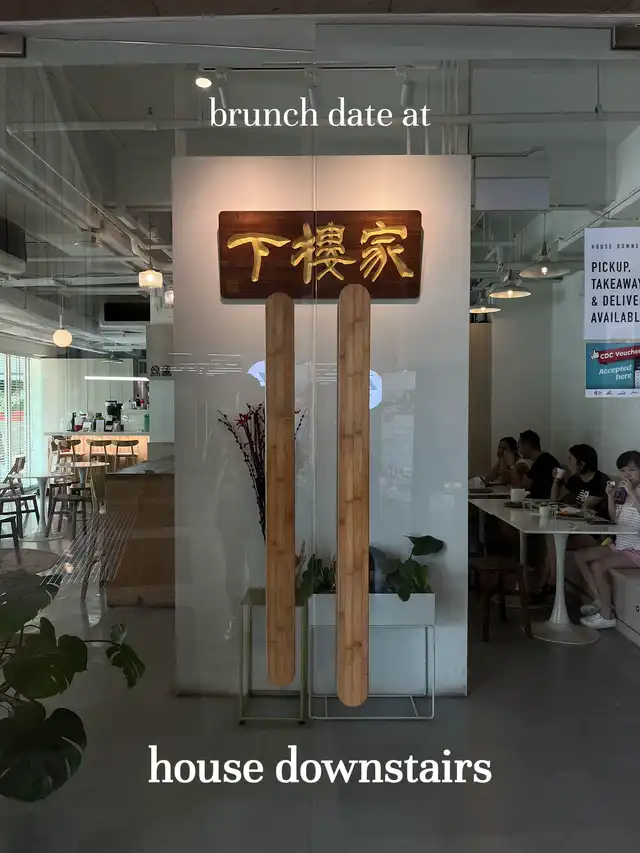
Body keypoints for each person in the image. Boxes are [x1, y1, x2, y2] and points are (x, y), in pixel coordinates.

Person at [574, 450, 640, 629]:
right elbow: (615, 519)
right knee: (580, 555)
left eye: (632, 470)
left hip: (636, 550)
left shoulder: (634, 492)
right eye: (623, 470)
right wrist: (610, 497)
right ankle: (600, 600)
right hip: (622, 545)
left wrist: (633, 494)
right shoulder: (623, 491)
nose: (627, 474)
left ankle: (606, 615)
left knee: (598, 566)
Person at [550, 444, 609, 513]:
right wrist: (556, 480)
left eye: (570, 459)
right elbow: (555, 499)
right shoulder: (574, 479)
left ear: (582, 464)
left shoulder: (602, 481)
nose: (568, 463)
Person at [517, 430, 560, 500]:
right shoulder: (542, 460)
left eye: (519, 446)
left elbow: (525, 483)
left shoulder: (544, 462)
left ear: (527, 446)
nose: (518, 451)